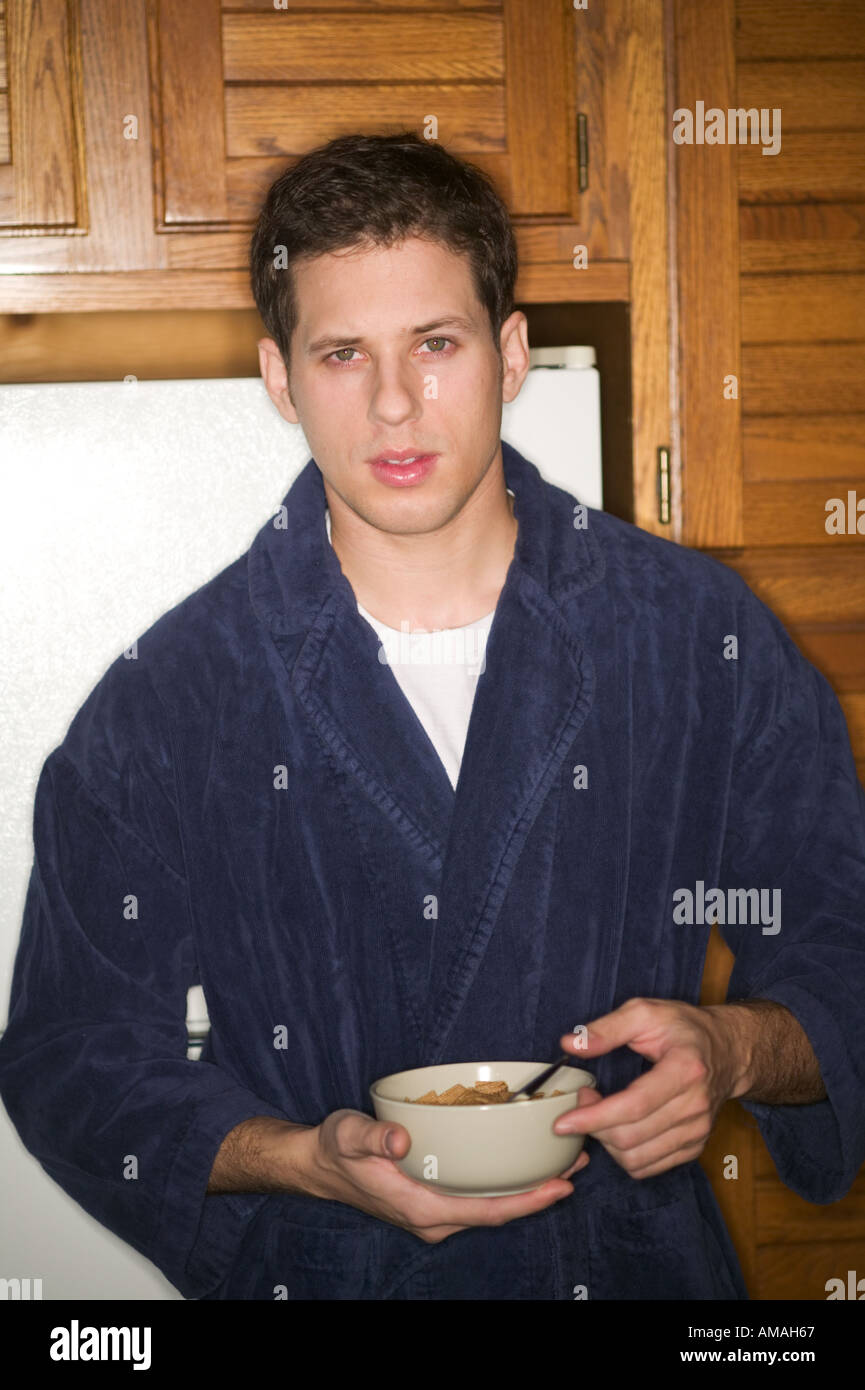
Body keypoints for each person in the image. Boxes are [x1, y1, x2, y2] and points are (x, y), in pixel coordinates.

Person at [0, 132, 863, 1302]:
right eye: (343, 352)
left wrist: (731, 1052)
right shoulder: (170, 698)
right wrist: (297, 1159)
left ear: (510, 355)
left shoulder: (691, 636)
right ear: (278, 373)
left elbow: (842, 945)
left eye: (436, 344)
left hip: (629, 1273)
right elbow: (71, 1055)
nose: (396, 403)